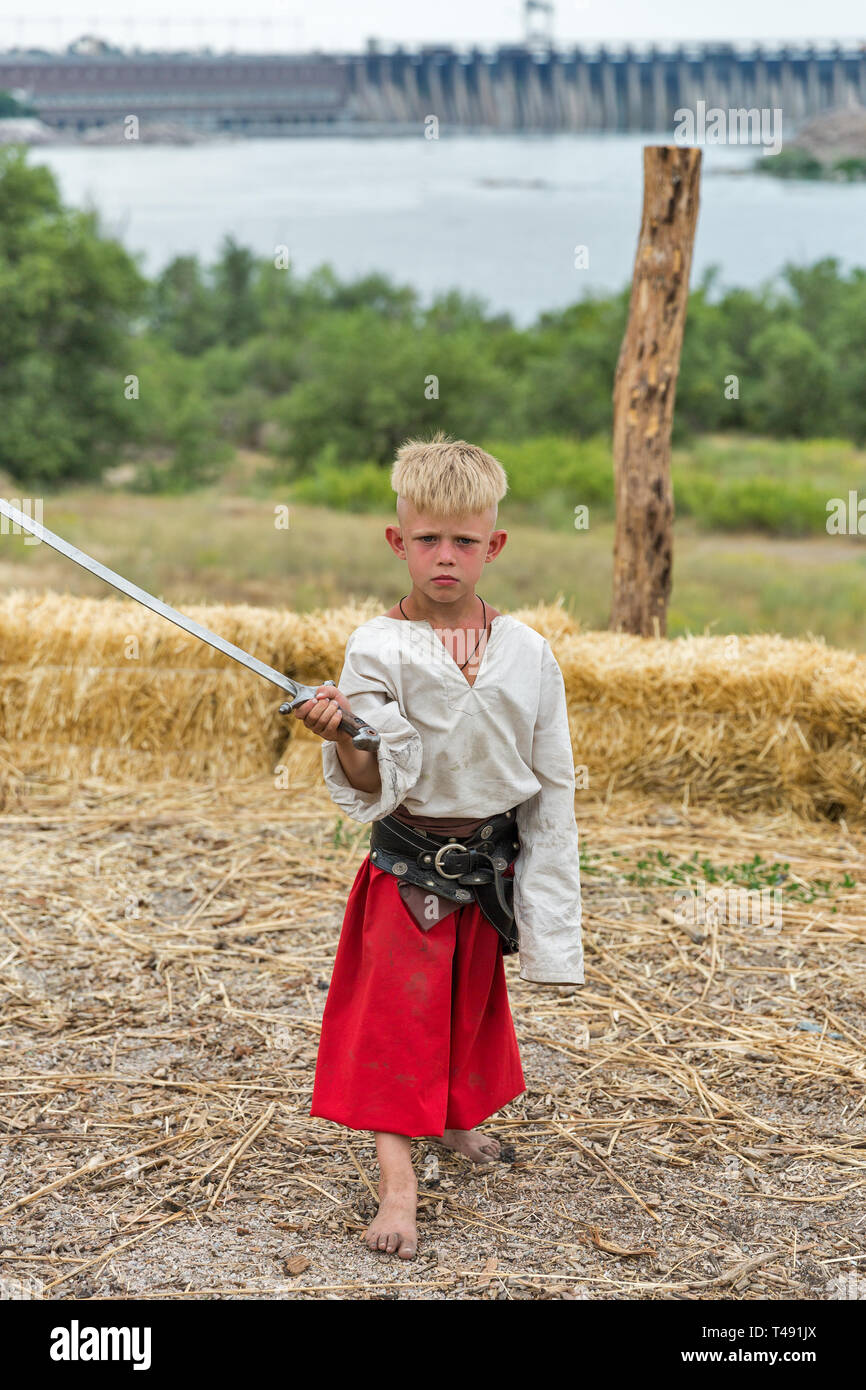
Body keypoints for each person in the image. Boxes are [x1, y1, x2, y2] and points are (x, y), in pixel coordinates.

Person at [288, 433, 584, 1261]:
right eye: (427, 540)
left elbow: (551, 778)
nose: (444, 556)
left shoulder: (528, 652)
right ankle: (398, 1188)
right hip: (408, 869)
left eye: (463, 541)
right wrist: (342, 729)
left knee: (467, 1008)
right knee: (395, 1026)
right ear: (398, 542)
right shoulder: (377, 647)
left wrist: (546, 891)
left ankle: (453, 1121)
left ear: (493, 544)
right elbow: (366, 770)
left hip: (488, 868)